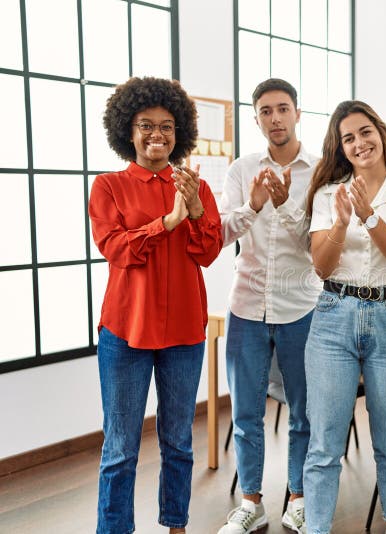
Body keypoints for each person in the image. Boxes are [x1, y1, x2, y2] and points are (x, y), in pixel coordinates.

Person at [89, 76, 223, 534]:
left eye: (167, 127)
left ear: (178, 133)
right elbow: (116, 250)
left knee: (179, 443)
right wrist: (166, 222)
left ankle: (176, 525)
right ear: (128, 131)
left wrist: (196, 211)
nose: (157, 136)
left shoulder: (194, 187)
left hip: (184, 333)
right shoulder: (108, 187)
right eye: (146, 126)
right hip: (125, 332)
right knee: (121, 449)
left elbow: (207, 253)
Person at [302, 100, 386, 534]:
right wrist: (340, 222)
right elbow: (321, 266)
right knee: (325, 442)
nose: (359, 143)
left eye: (365, 132)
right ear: (341, 148)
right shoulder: (330, 194)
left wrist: (367, 216)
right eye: (348, 138)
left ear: (381, 134)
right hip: (334, 315)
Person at [217, 79, 320, 534]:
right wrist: (254, 206)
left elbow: (321, 248)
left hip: (302, 306)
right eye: (265, 111)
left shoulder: (320, 172)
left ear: (298, 113)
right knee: (245, 412)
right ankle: (251, 500)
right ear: (256, 118)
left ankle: (298, 498)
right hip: (246, 306)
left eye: (282, 109)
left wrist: (287, 208)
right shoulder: (242, 170)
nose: (274, 118)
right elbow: (220, 234)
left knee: (304, 411)